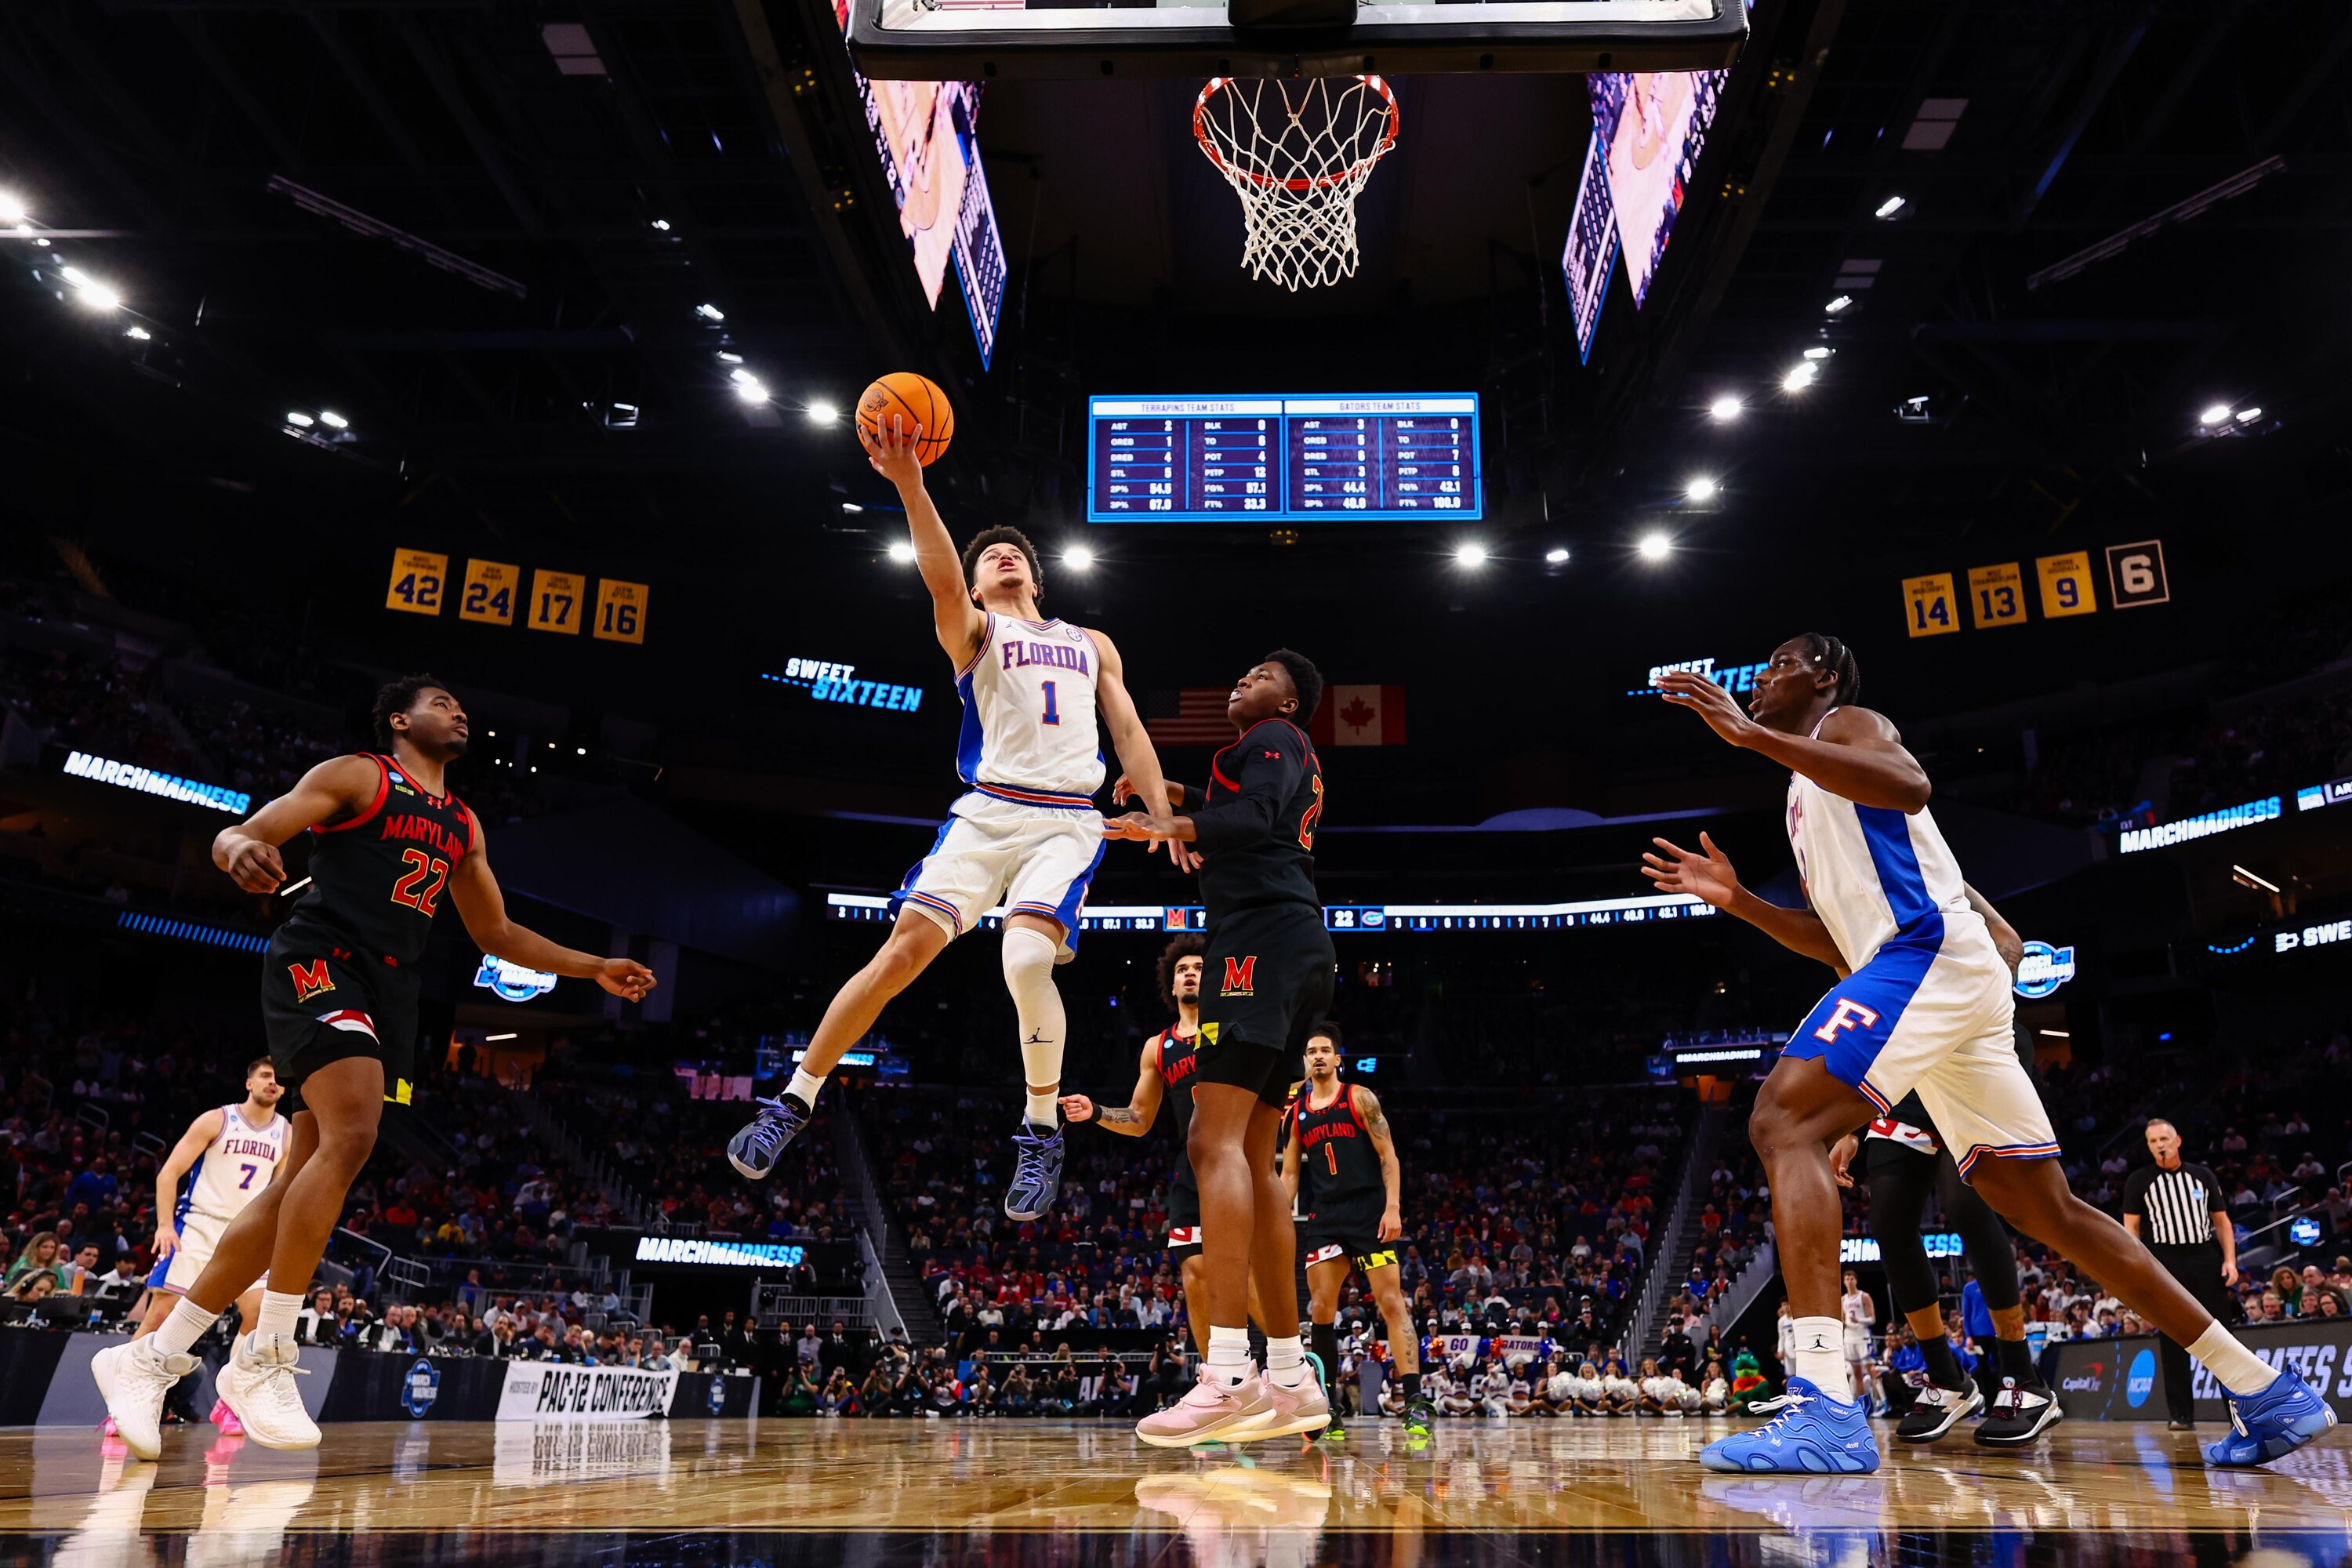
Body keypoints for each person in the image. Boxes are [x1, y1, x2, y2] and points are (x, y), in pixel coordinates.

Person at [1646, 635, 2332, 1472]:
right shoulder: (1805, 790)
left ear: (1824, 676)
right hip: (1930, 972)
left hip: (1929, 953)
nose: (1761, 676)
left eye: (1782, 661)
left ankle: (1826, 1403)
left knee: (1781, 1117)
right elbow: (1835, 942)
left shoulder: (1849, 725)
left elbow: (1912, 783)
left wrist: (1752, 738)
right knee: (2048, 1208)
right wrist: (1741, 900)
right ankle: (2267, 1387)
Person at [92, 673, 656, 1461]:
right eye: (440, 701)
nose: (459, 708)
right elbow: (244, 830)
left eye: (463, 702)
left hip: (392, 986)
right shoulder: (361, 774)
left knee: (301, 1176)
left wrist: (591, 963)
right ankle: (263, 1354)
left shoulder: (462, 821)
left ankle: (148, 1357)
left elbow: (494, 931)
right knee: (353, 1131)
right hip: (321, 957)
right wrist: (237, 849)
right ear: (399, 719)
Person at [725, 416, 1173, 1225]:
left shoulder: (1090, 640)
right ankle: (792, 1100)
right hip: (987, 811)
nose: (1002, 556)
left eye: (1015, 553)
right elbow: (936, 572)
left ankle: (1039, 1129)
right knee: (901, 953)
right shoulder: (973, 627)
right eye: (985, 556)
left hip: (1067, 820)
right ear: (975, 583)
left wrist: (1166, 813)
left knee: (1026, 957)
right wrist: (909, 482)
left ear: (1037, 574)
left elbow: (1132, 732)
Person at [1112, 652, 1334, 1448]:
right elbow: (1248, 814)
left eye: (1261, 672)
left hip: (1259, 942)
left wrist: (1172, 822)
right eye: (1238, 672)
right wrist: (1176, 796)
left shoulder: (1271, 738)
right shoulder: (1274, 751)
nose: (1242, 678)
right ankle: (1290, 1374)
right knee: (1252, 1150)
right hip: (1296, 941)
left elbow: (1260, 816)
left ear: (1293, 699)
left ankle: (1229, 1372)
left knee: (1210, 1138)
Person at [1828, 1008, 2063, 1446]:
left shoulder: (1992, 981)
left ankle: (2022, 1376)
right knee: (1888, 1221)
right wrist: (1850, 1128)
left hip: (1975, 1071)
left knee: (1967, 1207)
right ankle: (1945, 1376)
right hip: (1914, 1076)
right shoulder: (1910, 979)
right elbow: (1879, 1049)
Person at [1283, 1022, 1432, 1439]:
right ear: (1305, 1061)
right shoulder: (1297, 1113)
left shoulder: (1360, 1098)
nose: (1317, 1056)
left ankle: (1415, 1401)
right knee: (1320, 1310)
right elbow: (1290, 1173)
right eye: (1311, 1051)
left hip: (1369, 1211)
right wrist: (1278, 1217)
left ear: (1337, 1058)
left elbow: (1389, 1156)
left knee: (1390, 1302)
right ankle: (1326, 1409)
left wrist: (1393, 1207)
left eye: (1325, 1050)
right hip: (1326, 1215)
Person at [128, 1057, 292, 1435]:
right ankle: (125, 1398)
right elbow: (169, 1172)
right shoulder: (216, 1120)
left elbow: (278, 1194)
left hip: (246, 1233)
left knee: (259, 1313)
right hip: (199, 1226)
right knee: (160, 1314)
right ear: (249, 1083)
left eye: (279, 1080)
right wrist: (165, 1226)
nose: (273, 1083)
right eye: (266, 1076)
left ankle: (229, 1402)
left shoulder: (286, 1133)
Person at [2121, 1119, 2238, 1432]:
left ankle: (2236, 1410)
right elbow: (2130, 1232)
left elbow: (2222, 1222)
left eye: (2164, 1138)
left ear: (2178, 1140)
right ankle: (2181, 1414)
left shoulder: (2202, 1176)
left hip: (2204, 1257)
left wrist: (2230, 1261)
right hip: (2163, 1262)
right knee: (2173, 1340)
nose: (2159, 1145)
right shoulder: (2138, 1181)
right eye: (2153, 1141)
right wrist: (2137, 1274)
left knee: (2223, 1336)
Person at [1838, 1269, 1880, 1412]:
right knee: (1856, 1375)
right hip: (1849, 1337)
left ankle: (1882, 1402)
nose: (1849, 1281)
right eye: (1847, 1279)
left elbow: (1872, 1319)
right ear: (1844, 1282)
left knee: (1871, 1371)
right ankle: (1862, 1405)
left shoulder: (1864, 1296)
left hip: (1862, 1336)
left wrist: (1859, 1320)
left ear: (1856, 1281)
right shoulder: (1843, 1300)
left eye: (1851, 1279)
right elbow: (1843, 1319)